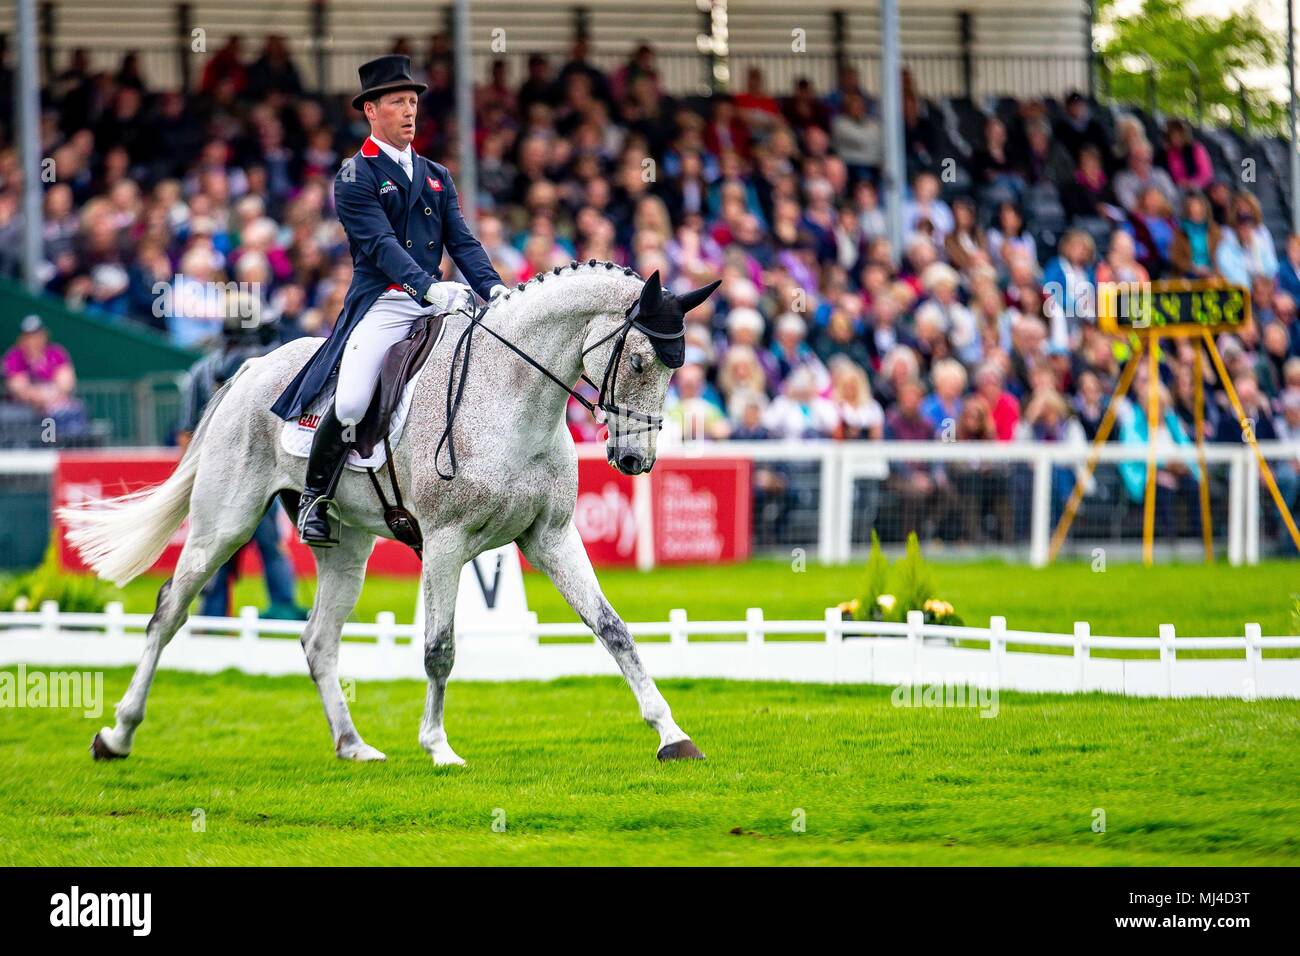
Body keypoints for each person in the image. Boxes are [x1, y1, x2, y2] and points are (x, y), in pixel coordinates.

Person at [270, 55, 507, 547]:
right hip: (384, 302)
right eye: (397, 102)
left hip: (438, 299)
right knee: (354, 399)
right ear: (371, 111)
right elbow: (379, 246)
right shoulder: (354, 176)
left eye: (413, 102)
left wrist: (494, 288)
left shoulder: (437, 174)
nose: (408, 111)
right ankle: (316, 493)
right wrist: (427, 285)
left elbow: (462, 241)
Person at [181, 311, 306, 621]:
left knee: (231, 546)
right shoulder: (211, 372)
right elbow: (186, 432)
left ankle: (274, 608)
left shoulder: (202, 371)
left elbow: (185, 433)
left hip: (246, 472)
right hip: (247, 473)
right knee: (233, 548)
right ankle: (225, 615)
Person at [3, 315, 88, 437]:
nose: (33, 340)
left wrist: (49, 396)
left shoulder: (56, 353)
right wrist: (40, 396)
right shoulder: (14, 356)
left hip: (55, 405)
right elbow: (19, 388)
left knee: (72, 411)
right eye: (29, 336)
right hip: (25, 407)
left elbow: (66, 383)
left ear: (44, 335)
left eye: (37, 335)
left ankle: (64, 446)